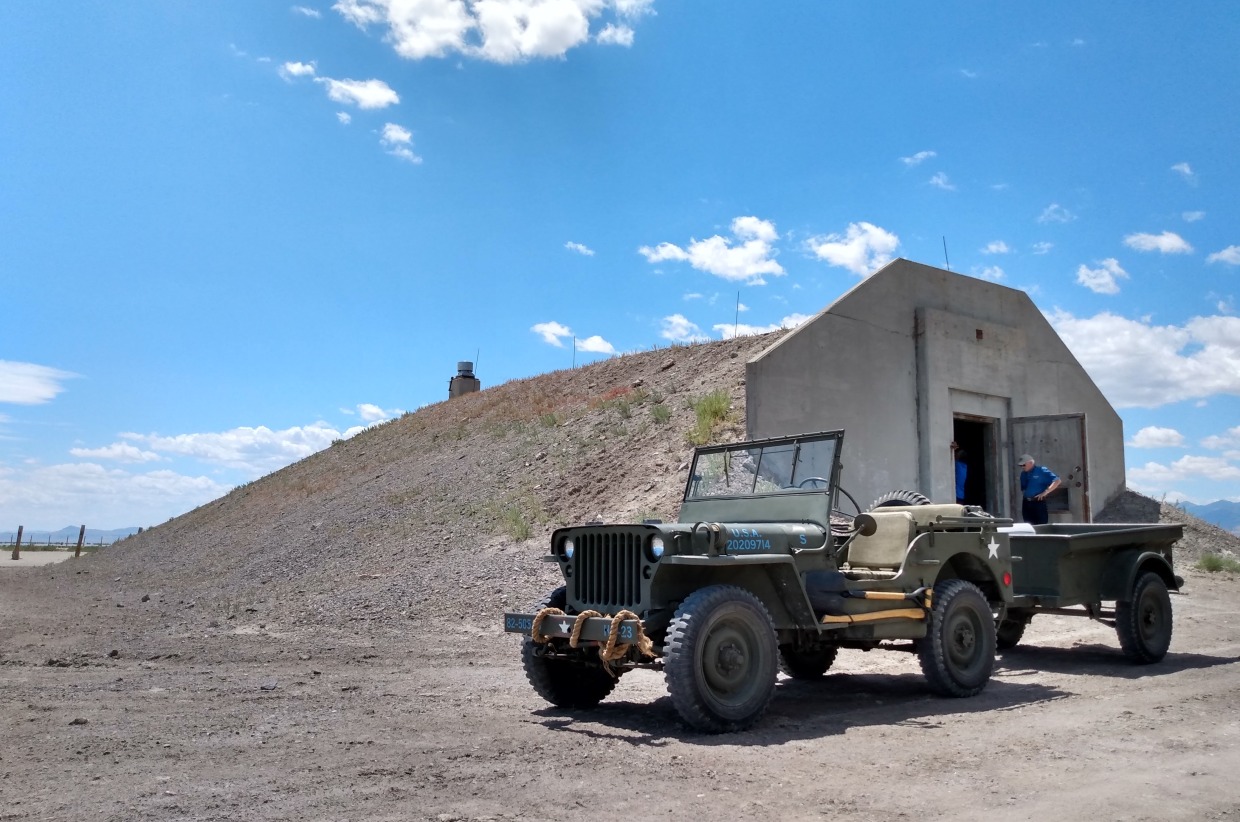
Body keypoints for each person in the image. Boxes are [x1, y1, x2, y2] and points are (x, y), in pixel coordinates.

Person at [1018, 453, 1061, 526]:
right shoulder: (1023, 474)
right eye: (1020, 465)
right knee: (1029, 525)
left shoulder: (1041, 471)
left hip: (1038, 502)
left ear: (1031, 463)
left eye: (1024, 465)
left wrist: (1046, 492)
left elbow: (1057, 481)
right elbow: (1023, 488)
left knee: (1041, 525)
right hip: (1027, 503)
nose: (1022, 467)